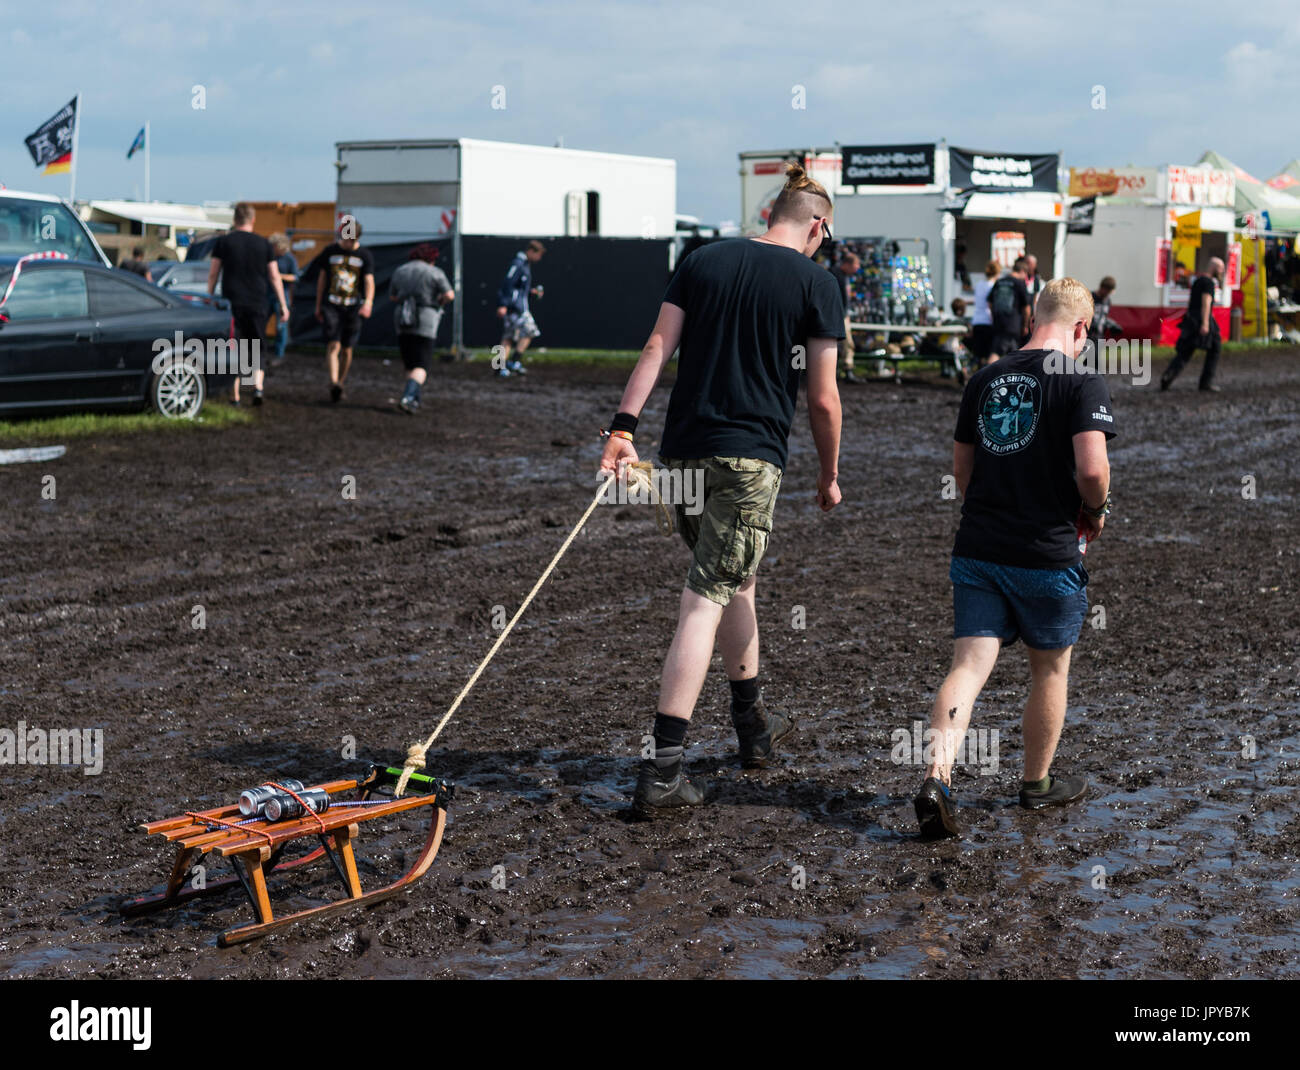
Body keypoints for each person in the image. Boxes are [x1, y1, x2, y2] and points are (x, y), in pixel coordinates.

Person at [597, 163, 844, 819]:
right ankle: (664, 773)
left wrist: (623, 429)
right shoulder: (817, 281)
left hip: (682, 452)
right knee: (704, 599)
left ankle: (753, 726)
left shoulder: (703, 259)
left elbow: (656, 345)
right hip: (747, 460)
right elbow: (822, 397)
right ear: (816, 224)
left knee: (736, 581)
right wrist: (828, 473)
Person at [913, 277, 1116, 839]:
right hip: (1046, 554)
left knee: (968, 667)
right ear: (1081, 329)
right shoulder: (1081, 381)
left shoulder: (984, 377)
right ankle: (1036, 785)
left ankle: (937, 777)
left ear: (1031, 316)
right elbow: (1093, 471)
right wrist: (1096, 509)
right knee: (1049, 669)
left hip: (979, 547)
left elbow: (962, 472)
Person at [208, 203, 290, 406]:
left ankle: (234, 395)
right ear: (253, 220)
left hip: (232, 304)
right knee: (257, 347)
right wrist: (283, 304)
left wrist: (209, 297)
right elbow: (275, 277)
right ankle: (257, 387)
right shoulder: (264, 244)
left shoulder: (223, 242)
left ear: (234, 220)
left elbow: (213, 273)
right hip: (257, 303)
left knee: (234, 348)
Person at [315, 217, 375, 403]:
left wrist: (368, 302)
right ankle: (333, 382)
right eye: (346, 239)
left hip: (353, 306)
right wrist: (318, 305)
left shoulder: (364, 255)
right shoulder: (330, 252)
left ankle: (340, 382)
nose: (349, 243)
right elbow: (322, 279)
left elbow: (369, 281)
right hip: (332, 303)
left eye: (352, 240)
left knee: (347, 348)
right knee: (334, 344)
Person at [389, 243, 454, 414]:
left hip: (403, 318)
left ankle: (414, 401)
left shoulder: (401, 270)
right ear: (430, 258)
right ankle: (408, 397)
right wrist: (438, 302)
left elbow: (393, 296)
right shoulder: (434, 272)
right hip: (426, 318)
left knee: (410, 363)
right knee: (421, 364)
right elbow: (449, 294)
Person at [1160, 257, 1224, 392]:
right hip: (1201, 319)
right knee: (1215, 347)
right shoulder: (1208, 283)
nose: (1222, 271)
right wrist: (1206, 323)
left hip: (1192, 318)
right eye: (1220, 268)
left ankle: (1168, 376)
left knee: (1186, 350)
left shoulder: (1197, 281)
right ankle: (1206, 382)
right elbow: (1206, 302)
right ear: (1213, 267)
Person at [495, 240, 545, 377]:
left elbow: (518, 288)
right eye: (538, 255)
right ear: (531, 251)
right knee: (530, 330)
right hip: (515, 308)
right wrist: (503, 304)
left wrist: (530, 292)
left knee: (508, 337)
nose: (538, 259)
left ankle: (498, 366)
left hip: (515, 306)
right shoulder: (518, 264)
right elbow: (507, 283)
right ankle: (513, 362)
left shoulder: (524, 264)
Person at [987, 258, 1031, 361]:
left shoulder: (999, 282)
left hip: (999, 321)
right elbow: (1027, 308)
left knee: (1003, 351)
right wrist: (1025, 325)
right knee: (998, 353)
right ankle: (989, 375)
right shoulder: (1020, 283)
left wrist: (994, 317)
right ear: (1022, 271)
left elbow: (990, 303)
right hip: (1013, 323)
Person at [829, 250, 860, 382]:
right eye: (856, 266)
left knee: (846, 344)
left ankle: (846, 370)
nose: (857, 269)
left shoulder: (845, 276)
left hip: (843, 315)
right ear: (848, 264)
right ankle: (841, 371)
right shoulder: (834, 273)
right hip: (835, 315)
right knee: (838, 344)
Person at [268, 233, 298, 364]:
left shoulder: (289, 258)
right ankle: (259, 352)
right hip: (267, 294)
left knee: (281, 327)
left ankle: (279, 354)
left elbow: (295, 277)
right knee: (260, 323)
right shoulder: (269, 257)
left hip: (282, 295)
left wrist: (279, 277)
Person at [969, 260, 999, 366]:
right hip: (988, 320)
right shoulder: (993, 286)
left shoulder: (979, 284)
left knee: (978, 354)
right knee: (988, 353)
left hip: (977, 320)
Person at [1089, 276, 1119, 347]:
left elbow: (1104, 317)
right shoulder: (1090, 297)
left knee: (1094, 357)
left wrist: (1110, 324)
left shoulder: (1107, 300)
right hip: (1088, 336)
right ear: (1102, 288)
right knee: (1092, 357)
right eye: (1107, 292)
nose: (1107, 295)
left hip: (1099, 336)